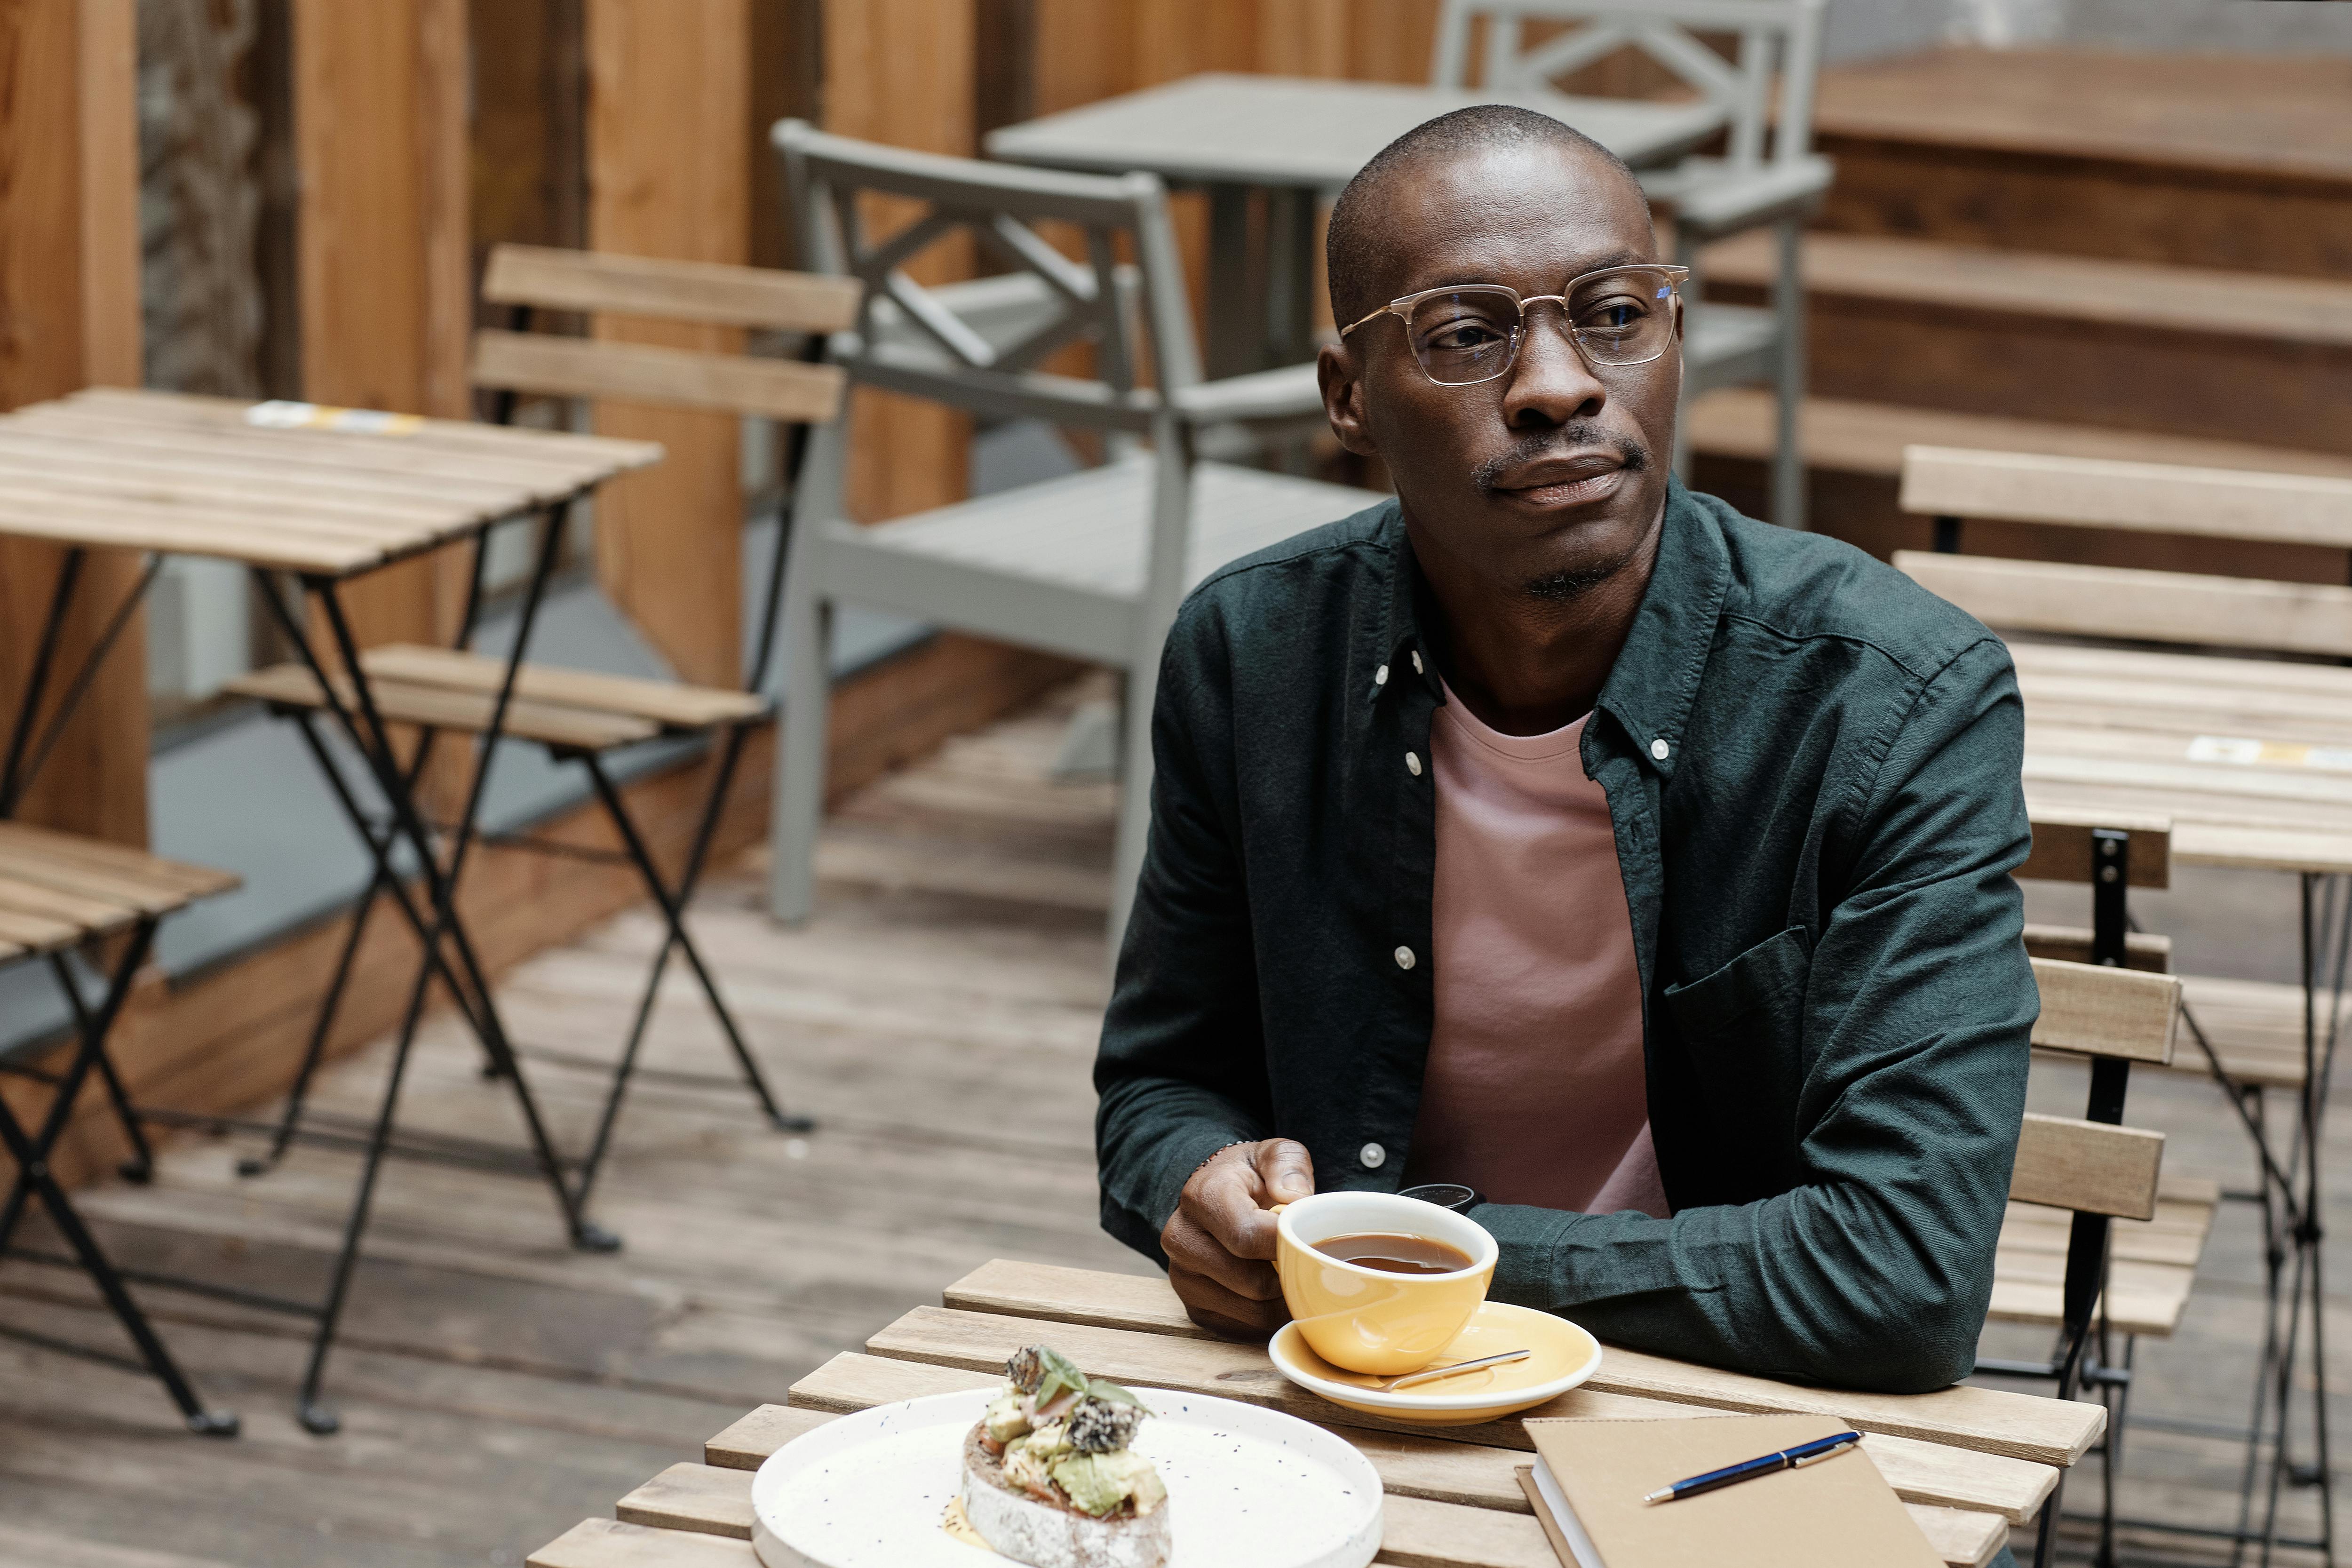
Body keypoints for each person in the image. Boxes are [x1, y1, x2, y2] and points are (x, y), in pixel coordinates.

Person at [1092, 104, 2038, 1398]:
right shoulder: (1254, 655)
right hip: (1337, 1390)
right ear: (1347, 398)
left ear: (1674, 341)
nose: (1556, 385)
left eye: (1615, 314)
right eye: (1467, 334)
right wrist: (1189, 1184)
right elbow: (1161, 1083)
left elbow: (1903, 1275)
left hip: (1723, 1408)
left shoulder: (1891, 701)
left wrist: (1411, 1261)